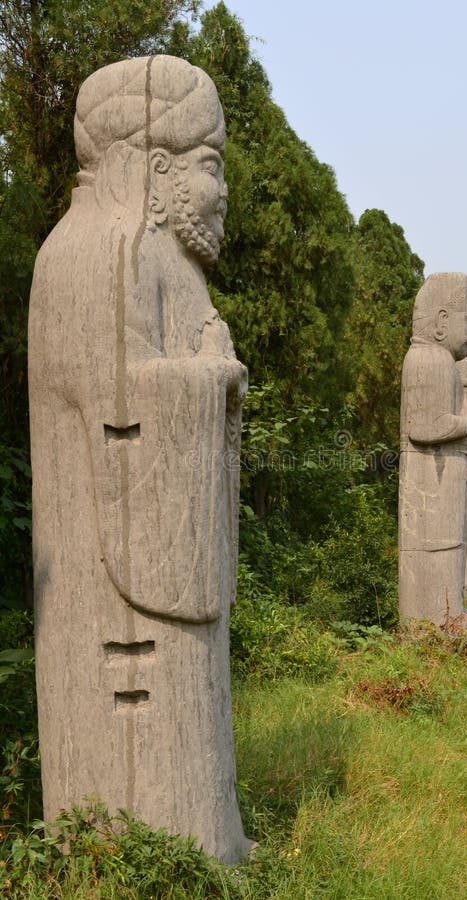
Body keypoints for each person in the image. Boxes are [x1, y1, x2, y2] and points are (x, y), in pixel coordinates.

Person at [29, 55, 252, 863]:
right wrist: (206, 377)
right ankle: (147, 864)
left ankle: (208, 846)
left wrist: (206, 373)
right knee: (143, 731)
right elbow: (120, 410)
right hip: (109, 586)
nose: (223, 191)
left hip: (160, 560)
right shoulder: (100, 251)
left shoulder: (165, 257)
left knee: (196, 704)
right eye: (211, 167)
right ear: (158, 168)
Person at [398, 272, 467, 628]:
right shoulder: (428, 360)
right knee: (434, 554)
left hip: (441, 492)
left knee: (447, 553)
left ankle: (446, 619)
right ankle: (430, 626)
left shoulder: (441, 361)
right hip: (429, 492)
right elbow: (425, 426)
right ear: (442, 321)